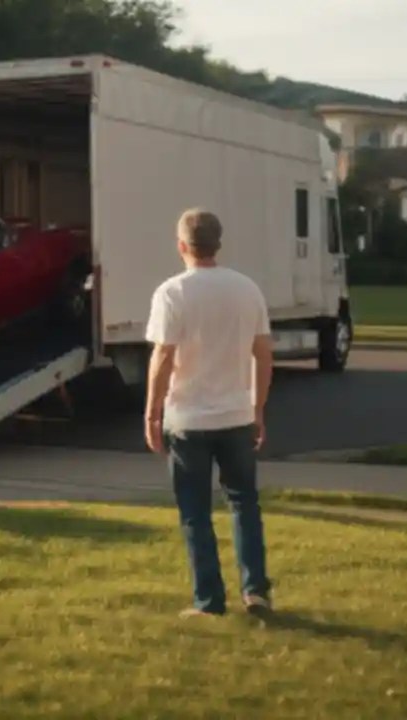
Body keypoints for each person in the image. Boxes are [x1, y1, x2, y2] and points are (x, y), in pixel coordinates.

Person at [144, 207, 274, 618]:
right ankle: (255, 591)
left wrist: (152, 414)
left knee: (195, 513)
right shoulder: (247, 289)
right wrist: (258, 408)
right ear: (218, 244)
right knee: (244, 505)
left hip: (188, 420)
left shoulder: (172, 293)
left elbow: (163, 358)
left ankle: (209, 601)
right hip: (236, 416)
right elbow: (264, 355)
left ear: (182, 245)